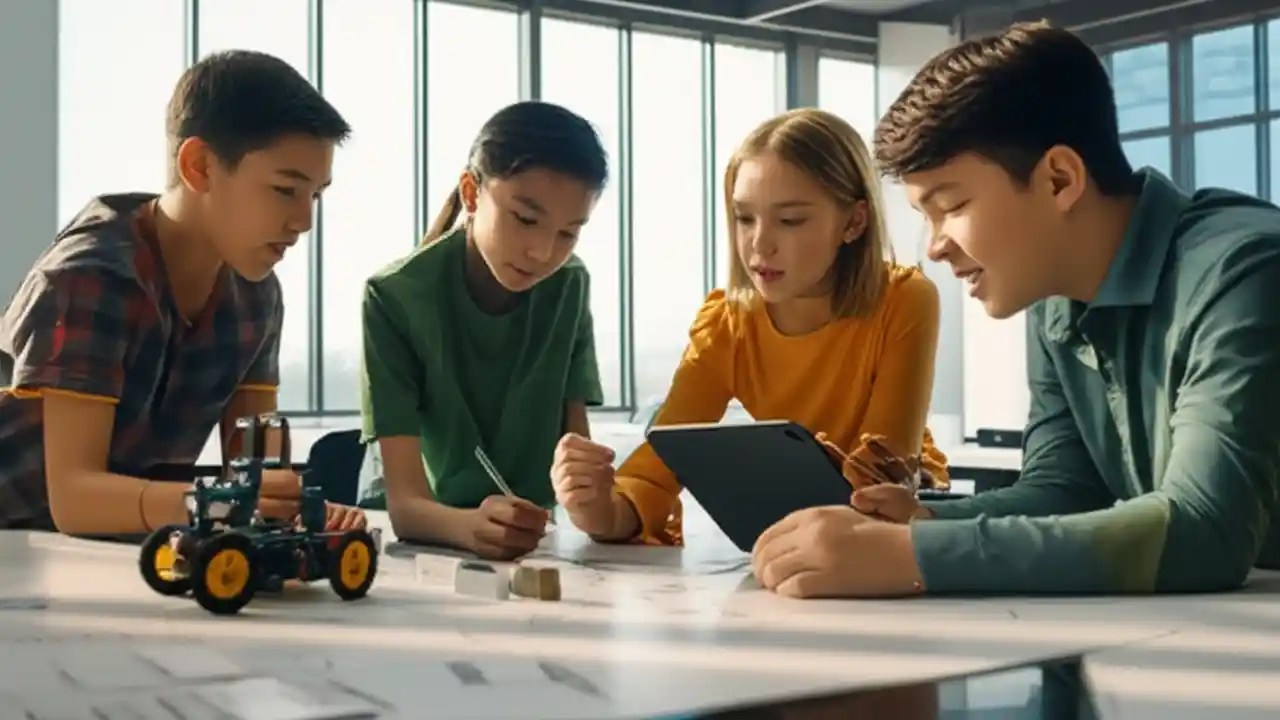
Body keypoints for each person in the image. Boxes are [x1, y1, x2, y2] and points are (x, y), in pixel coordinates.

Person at [751, 21, 1280, 599]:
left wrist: (912, 555)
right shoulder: (1055, 296)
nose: (934, 247)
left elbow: (1206, 531)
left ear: (1058, 179)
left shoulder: (1243, 272)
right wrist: (921, 520)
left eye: (951, 205)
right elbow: (1066, 490)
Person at [0, 50, 366, 535]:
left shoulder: (256, 294)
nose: (304, 222)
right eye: (284, 190)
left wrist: (296, 511)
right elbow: (75, 498)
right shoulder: (88, 277)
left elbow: (255, 477)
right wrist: (223, 502)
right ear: (199, 166)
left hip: (117, 547)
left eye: (315, 195)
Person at [552, 108, 948, 546]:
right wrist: (598, 510)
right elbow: (654, 472)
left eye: (790, 220)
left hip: (905, 515)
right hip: (804, 527)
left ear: (854, 222)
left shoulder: (905, 299)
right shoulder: (727, 323)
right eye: (744, 218)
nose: (759, 244)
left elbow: (882, 472)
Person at [360, 101, 608, 560]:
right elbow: (405, 508)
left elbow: (576, 463)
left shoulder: (569, 284)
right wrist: (471, 527)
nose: (542, 253)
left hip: (535, 544)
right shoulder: (393, 296)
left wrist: (591, 495)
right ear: (472, 193)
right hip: (424, 552)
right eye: (526, 219)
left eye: (568, 233)